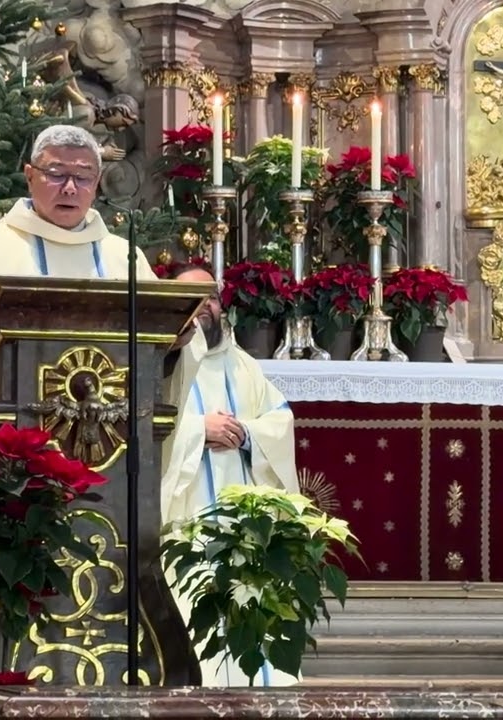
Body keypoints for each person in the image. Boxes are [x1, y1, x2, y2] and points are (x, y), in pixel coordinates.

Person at [0, 124, 202, 691]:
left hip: (111, 464)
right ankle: (4, 672)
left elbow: (155, 353)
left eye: (82, 177)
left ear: (98, 182)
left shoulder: (121, 254)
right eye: (56, 174)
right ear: (31, 177)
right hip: (18, 458)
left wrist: (175, 345)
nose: (69, 187)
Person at [158, 263, 300, 687]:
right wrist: (199, 429)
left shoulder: (243, 365)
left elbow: (280, 420)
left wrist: (246, 435)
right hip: (185, 520)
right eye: (191, 299)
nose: (204, 307)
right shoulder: (159, 358)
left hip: (242, 526)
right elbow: (136, 422)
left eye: (211, 298)